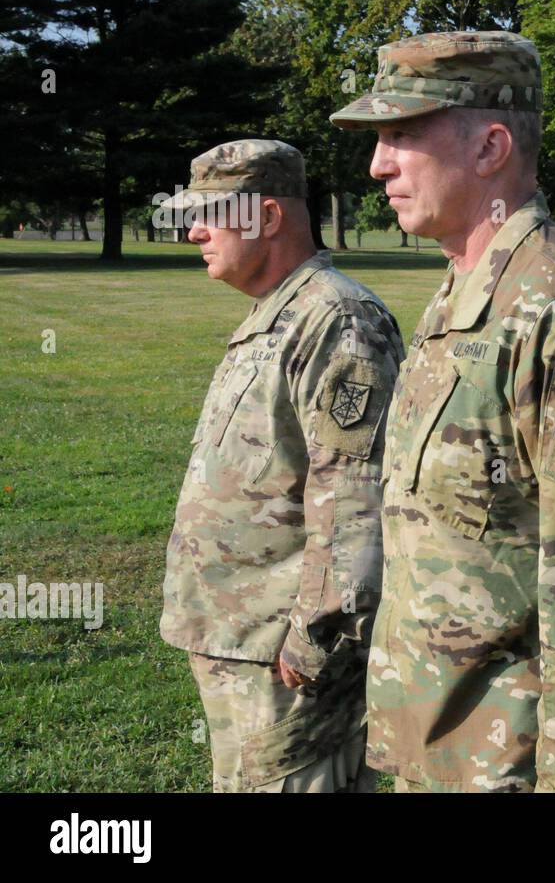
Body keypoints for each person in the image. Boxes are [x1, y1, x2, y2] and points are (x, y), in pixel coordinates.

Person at [330, 31, 555, 792]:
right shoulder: (464, 292)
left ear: (490, 147)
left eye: (402, 135)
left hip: (509, 768)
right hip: (435, 752)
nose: (378, 164)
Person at [160, 139, 404, 792]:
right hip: (243, 642)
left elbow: (356, 495)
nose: (193, 232)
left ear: (268, 218)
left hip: (285, 658)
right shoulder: (280, 314)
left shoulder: (336, 320)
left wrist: (315, 637)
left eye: (210, 214)